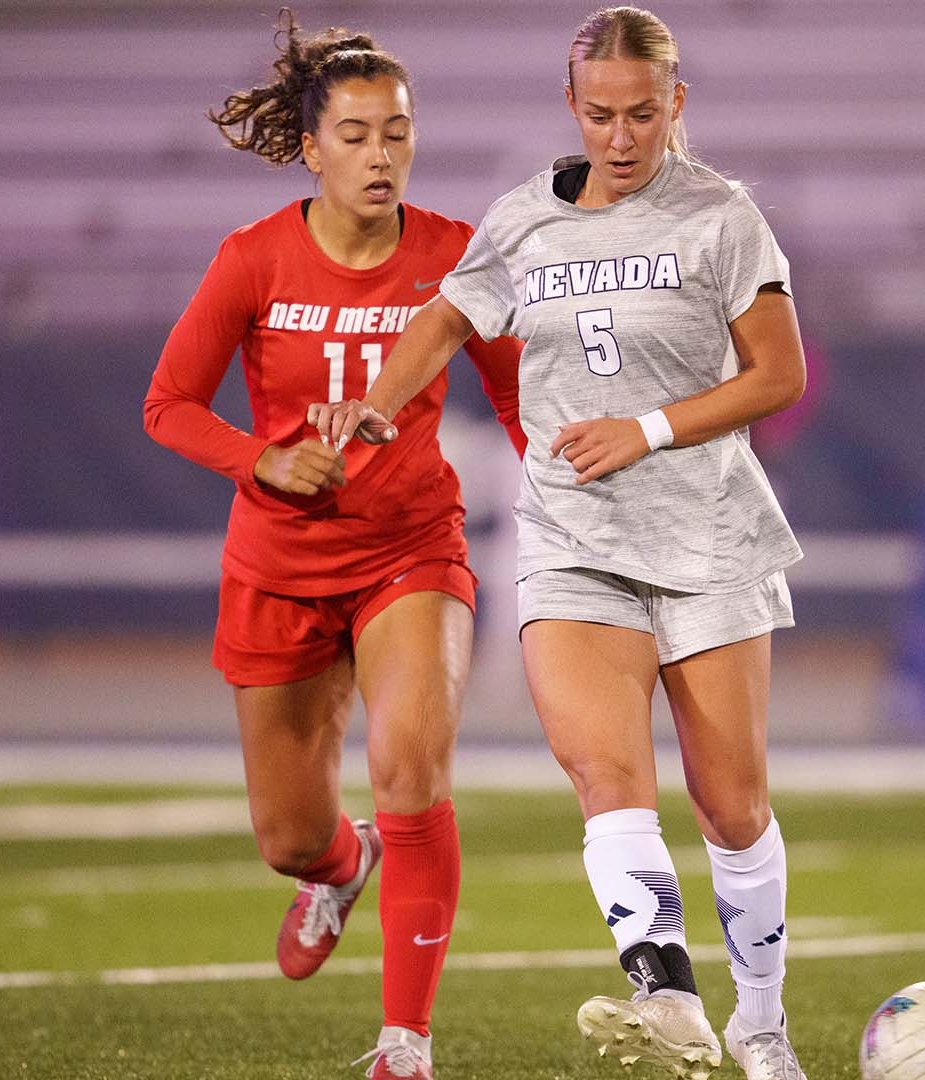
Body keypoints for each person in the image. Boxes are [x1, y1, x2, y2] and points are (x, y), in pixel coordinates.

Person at [313, 7, 810, 1079]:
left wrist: (648, 427)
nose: (622, 137)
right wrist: (376, 409)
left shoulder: (722, 219)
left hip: (707, 536)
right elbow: (445, 318)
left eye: (643, 113)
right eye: (600, 115)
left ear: (679, 104)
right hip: (573, 535)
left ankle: (761, 1023)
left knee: (733, 805)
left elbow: (779, 374)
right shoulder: (523, 221)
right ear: (572, 108)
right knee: (603, 771)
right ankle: (666, 988)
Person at [142, 12, 524, 1079]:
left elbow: (517, 399)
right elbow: (168, 404)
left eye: (397, 132)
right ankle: (338, 870)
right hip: (279, 566)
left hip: (411, 550)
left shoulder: (455, 256)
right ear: (313, 149)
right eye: (355, 134)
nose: (380, 155)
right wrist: (258, 459)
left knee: (412, 769)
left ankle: (406, 1042)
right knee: (288, 836)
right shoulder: (254, 258)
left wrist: (580, 478)